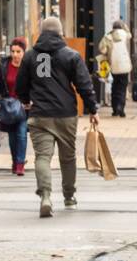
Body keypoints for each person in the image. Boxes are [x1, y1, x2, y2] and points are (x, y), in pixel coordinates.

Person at [15, 16, 99, 218]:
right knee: (67, 158)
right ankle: (69, 197)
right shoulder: (71, 55)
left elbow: (20, 85)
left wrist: (26, 100)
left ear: (42, 33)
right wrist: (93, 109)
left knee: (42, 157)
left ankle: (45, 196)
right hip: (65, 114)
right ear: (61, 33)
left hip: (40, 114)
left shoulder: (29, 56)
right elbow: (84, 85)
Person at [0, 37, 28, 175]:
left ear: (24, 52)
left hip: (23, 106)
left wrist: (32, 101)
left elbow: (35, 84)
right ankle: (15, 161)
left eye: (18, 51)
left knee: (21, 133)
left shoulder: (28, 65)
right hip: (8, 106)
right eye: (13, 51)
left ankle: (20, 164)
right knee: (12, 136)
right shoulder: (4, 65)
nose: (15, 54)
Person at [99, 20, 132, 118]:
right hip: (125, 65)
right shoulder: (125, 34)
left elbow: (102, 49)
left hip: (114, 65)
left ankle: (115, 109)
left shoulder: (108, 37)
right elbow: (130, 34)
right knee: (122, 87)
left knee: (115, 86)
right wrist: (125, 26)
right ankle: (121, 108)